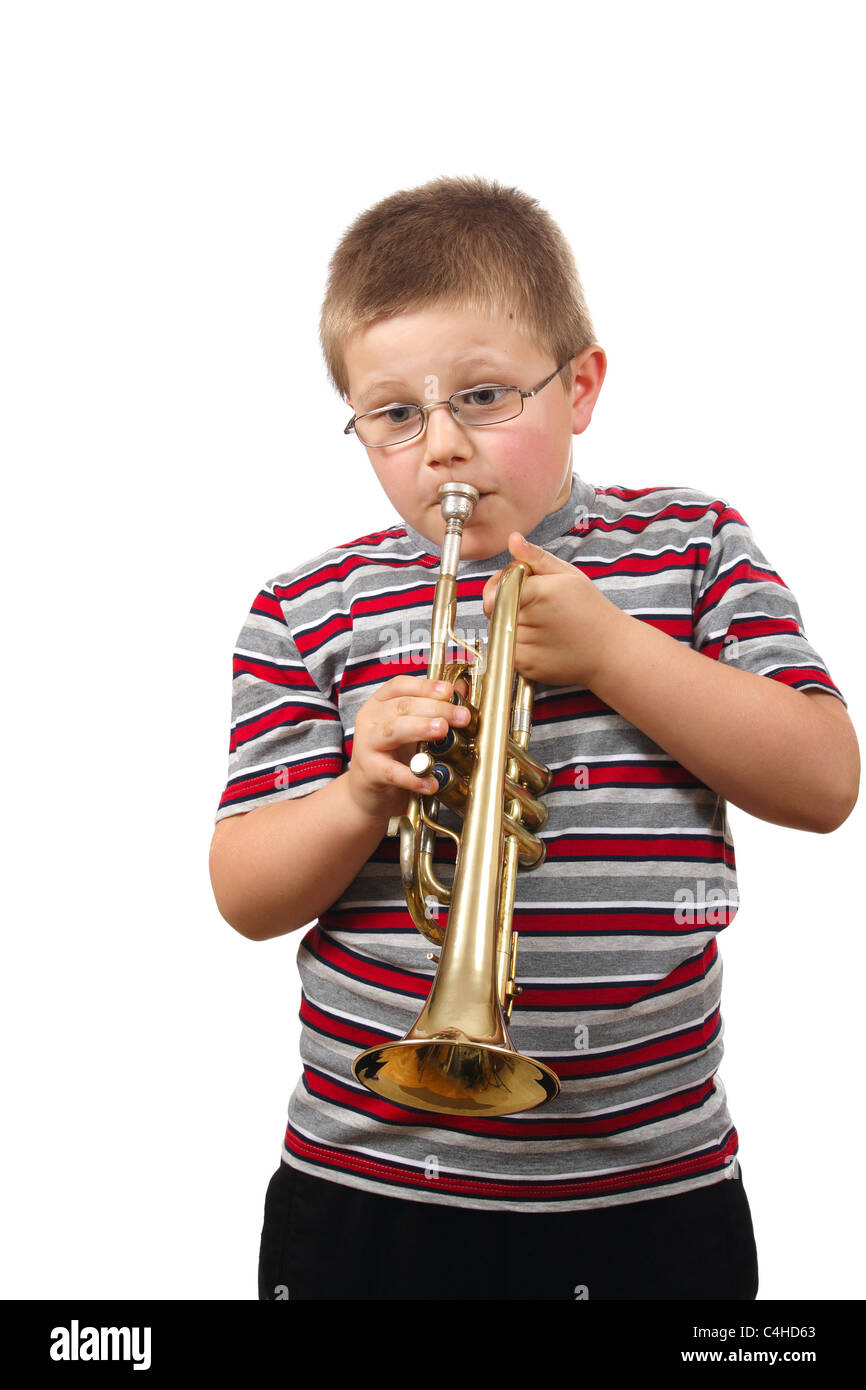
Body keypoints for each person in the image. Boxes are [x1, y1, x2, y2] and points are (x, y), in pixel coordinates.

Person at [208, 175, 859, 1301]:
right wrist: (360, 794)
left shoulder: (691, 546)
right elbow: (245, 895)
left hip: (649, 1183)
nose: (442, 449)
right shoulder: (306, 607)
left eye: (484, 397)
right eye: (395, 415)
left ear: (582, 385)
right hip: (365, 1181)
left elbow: (821, 781)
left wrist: (616, 651)